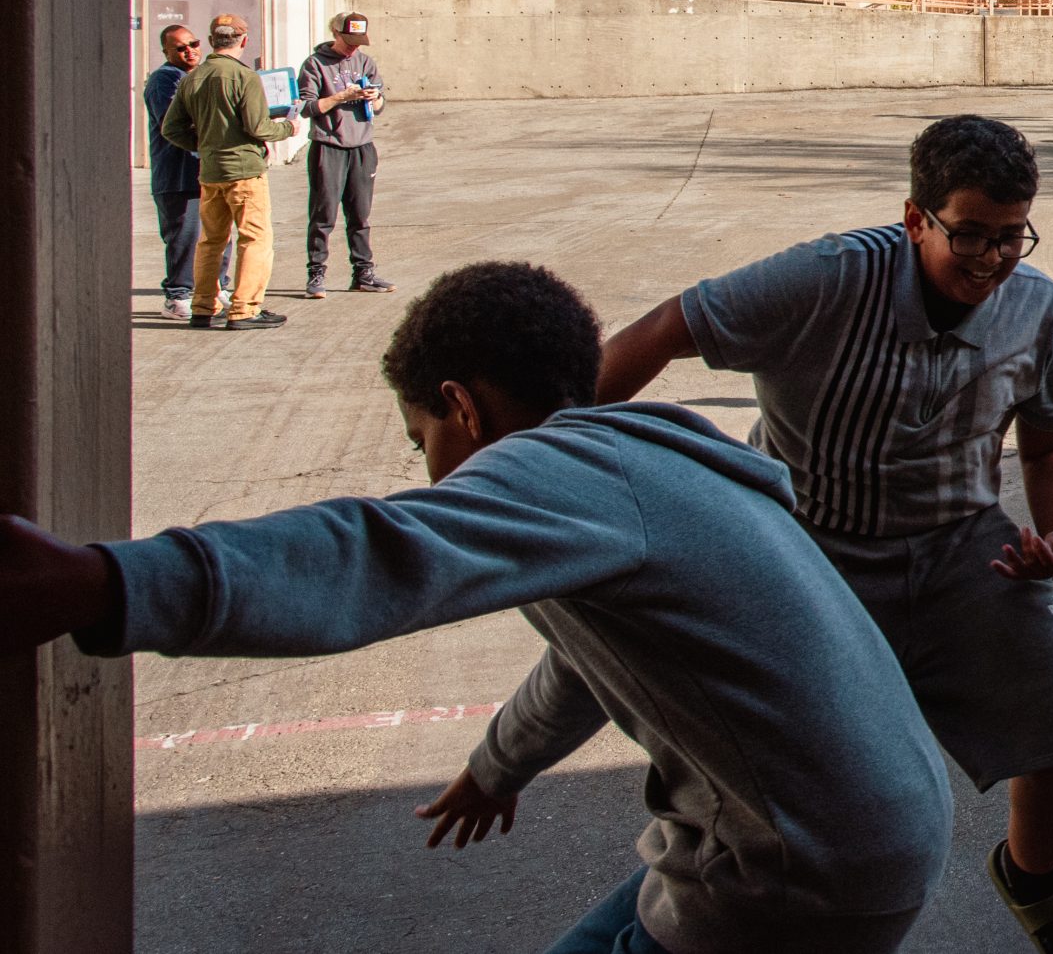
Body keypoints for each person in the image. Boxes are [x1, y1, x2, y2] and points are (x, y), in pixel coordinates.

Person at [0, 260, 953, 952]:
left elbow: (376, 556)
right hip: (861, 827)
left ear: (464, 407)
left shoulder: (562, 474)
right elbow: (584, 663)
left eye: (422, 439)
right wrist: (498, 767)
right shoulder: (642, 465)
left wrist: (104, 581)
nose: (429, 469)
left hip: (802, 863)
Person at [591, 117, 1053, 954]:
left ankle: (1032, 875)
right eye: (970, 234)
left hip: (961, 547)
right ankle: (694, 892)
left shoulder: (1035, 305)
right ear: (916, 218)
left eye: (1011, 235)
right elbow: (667, 327)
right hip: (811, 550)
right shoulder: (826, 279)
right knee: (798, 788)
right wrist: (551, 444)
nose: (991, 258)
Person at [161, 12, 292, 331]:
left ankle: (203, 307)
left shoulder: (192, 78)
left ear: (210, 41)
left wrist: (205, 144)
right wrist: (287, 128)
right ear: (244, 41)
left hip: (211, 172)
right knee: (255, 239)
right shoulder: (244, 77)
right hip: (244, 170)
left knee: (210, 241)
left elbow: (171, 128)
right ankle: (245, 309)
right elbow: (258, 127)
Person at [299, 9, 394, 299]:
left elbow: (380, 105)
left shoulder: (365, 62)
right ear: (335, 33)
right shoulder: (315, 64)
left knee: (360, 215)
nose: (354, 48)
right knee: (323, 214)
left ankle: (363, 273)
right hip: (328, 146)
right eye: (349, 41)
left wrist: (375, 98)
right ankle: (316, 274)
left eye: (359, 41)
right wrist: (342, 96)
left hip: (362, 146)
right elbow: (307, 108)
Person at [141, 22, 231, 320]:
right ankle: (178, 296)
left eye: (193, 44)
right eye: (180, 48)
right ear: (166, 52)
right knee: (185, 237)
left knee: (219, 233)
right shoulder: (164, 80)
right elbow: (174, 123)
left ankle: (217, 288)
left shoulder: (203, 74)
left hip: (209, 171)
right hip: (177, 176)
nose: (189, 51)